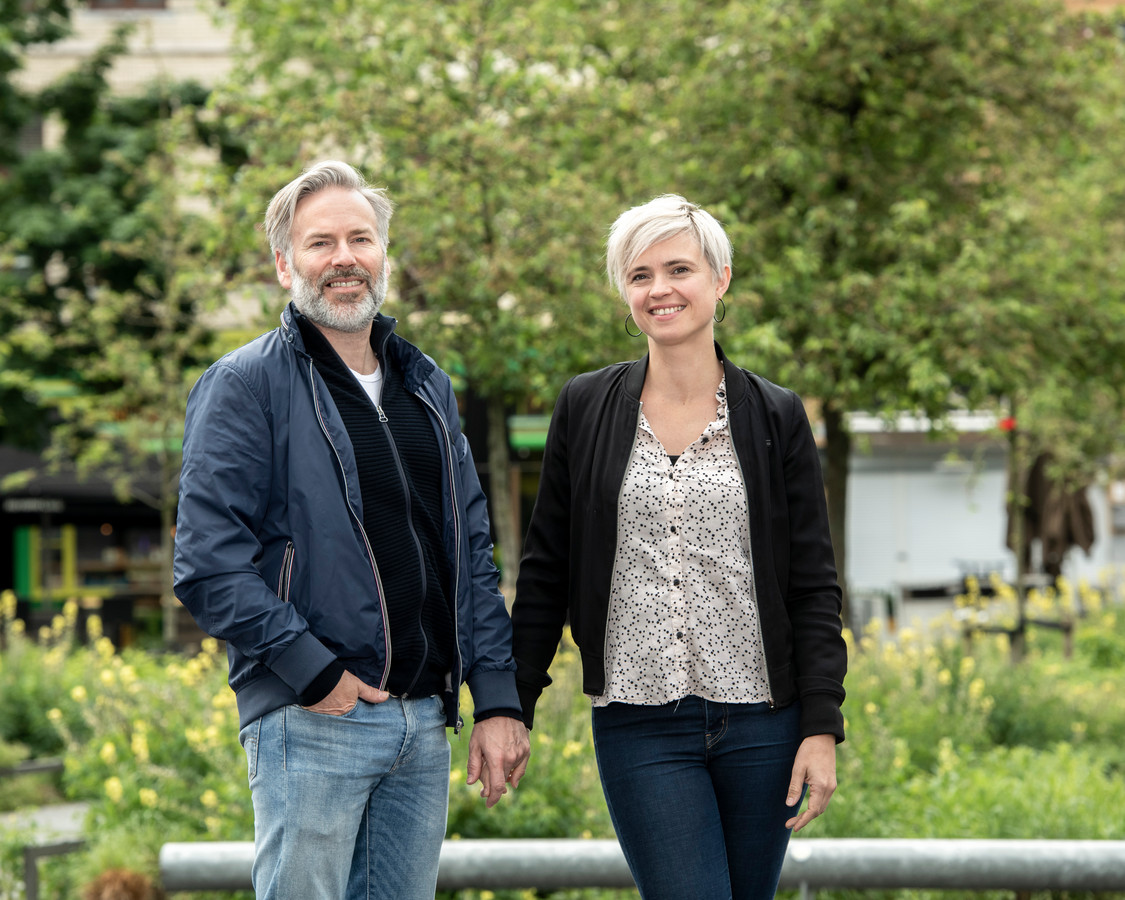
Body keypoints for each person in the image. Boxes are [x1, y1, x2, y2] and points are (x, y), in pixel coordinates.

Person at [173, 160, 530, 900]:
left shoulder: (426, 385)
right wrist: (313, 672)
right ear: (284, 266)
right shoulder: (244, 385)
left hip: (422, 723)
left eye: (360, 239)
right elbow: (208, 565)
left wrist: (496, 697)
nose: (344, 258)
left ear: (383, 255)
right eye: (320, 243)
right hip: (312, 718)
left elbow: (469, 551)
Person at [511, 194, 847, 900]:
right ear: (624, 293)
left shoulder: (777, 415)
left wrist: (821, 726)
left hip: (764, 722)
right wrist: (512, 704)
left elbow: (812, 584)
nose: (659, 289)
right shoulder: (584, 406)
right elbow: (546, 571)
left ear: (719, 279)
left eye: (678, 269)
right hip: (639, 723)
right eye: (639, 275)